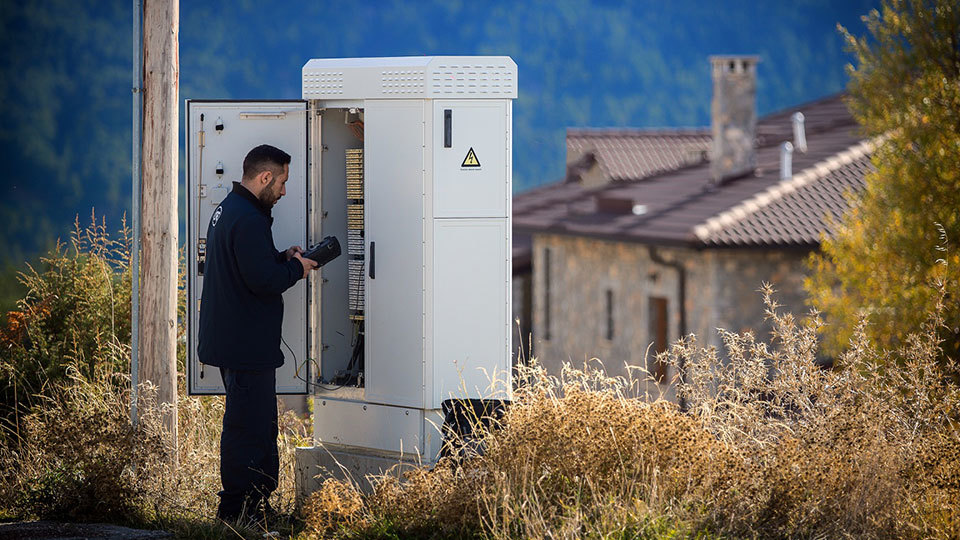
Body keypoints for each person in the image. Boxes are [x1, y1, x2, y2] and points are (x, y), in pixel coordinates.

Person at [197, 144, 318, 524]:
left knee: (255, 425)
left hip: (235, 341)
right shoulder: (248, 218)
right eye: (282, 182)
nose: (283, 191)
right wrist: (297, 270)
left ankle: (253, 506)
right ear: (265, 177)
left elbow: (248, 265)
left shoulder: (231, 210)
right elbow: (262, 281)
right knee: (246, 430)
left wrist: (283, 257)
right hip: (245, 345)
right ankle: (237, 513)